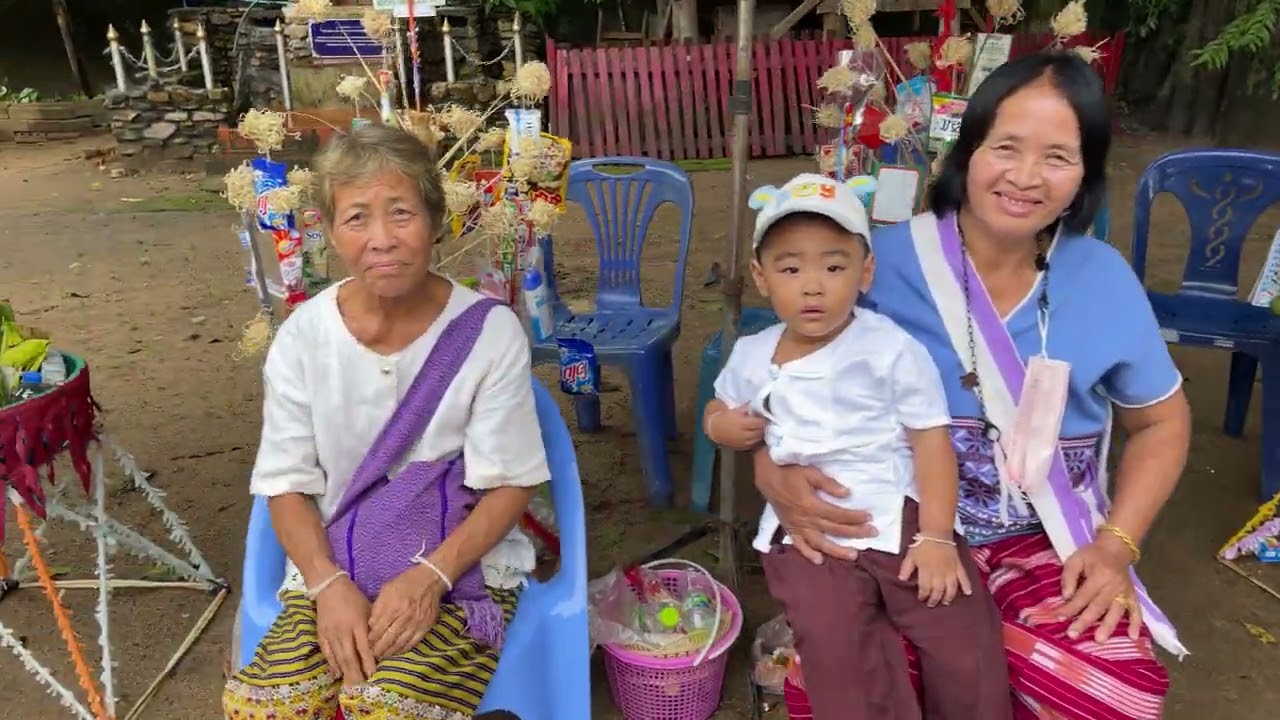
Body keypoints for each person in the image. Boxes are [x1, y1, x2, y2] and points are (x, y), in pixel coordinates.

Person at [739, 52, 1192, 720]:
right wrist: (767, 465)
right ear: (968, 149)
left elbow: (1161, 423)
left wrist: (1114, 546)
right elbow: (785, 382)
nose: (1026, 177)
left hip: (1046, 537)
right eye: (1005, 147)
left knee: (1111, 690)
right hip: (898, 529)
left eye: (1058, 157)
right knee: (849, 678)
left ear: (1086, 174)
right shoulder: (872, 268)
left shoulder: (1105, 280)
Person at [223, 124, 548, 720]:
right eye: (356, 219)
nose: (382, 240)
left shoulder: (490, 332)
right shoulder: (303, 338)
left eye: (401, 213)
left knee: (385, 705)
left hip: (462, 565)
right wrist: (326, 586)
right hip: (337, 557)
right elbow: (285, 482)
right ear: (329, 232)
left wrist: (430, 577)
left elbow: (512, 481)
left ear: (434, 219)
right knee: (265, 707)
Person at [706, 173, 1011, 720]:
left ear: (865, 272)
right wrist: (721, 428)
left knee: (961, 627)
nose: (814, 286)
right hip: (808, 534)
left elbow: (931, 441)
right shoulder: (752, 354)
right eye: (791, 268)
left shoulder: (889, 348)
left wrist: (938, 537)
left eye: (834, 265)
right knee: (833, 641)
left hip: (899, 514)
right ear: (761, 277)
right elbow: (719, 407)